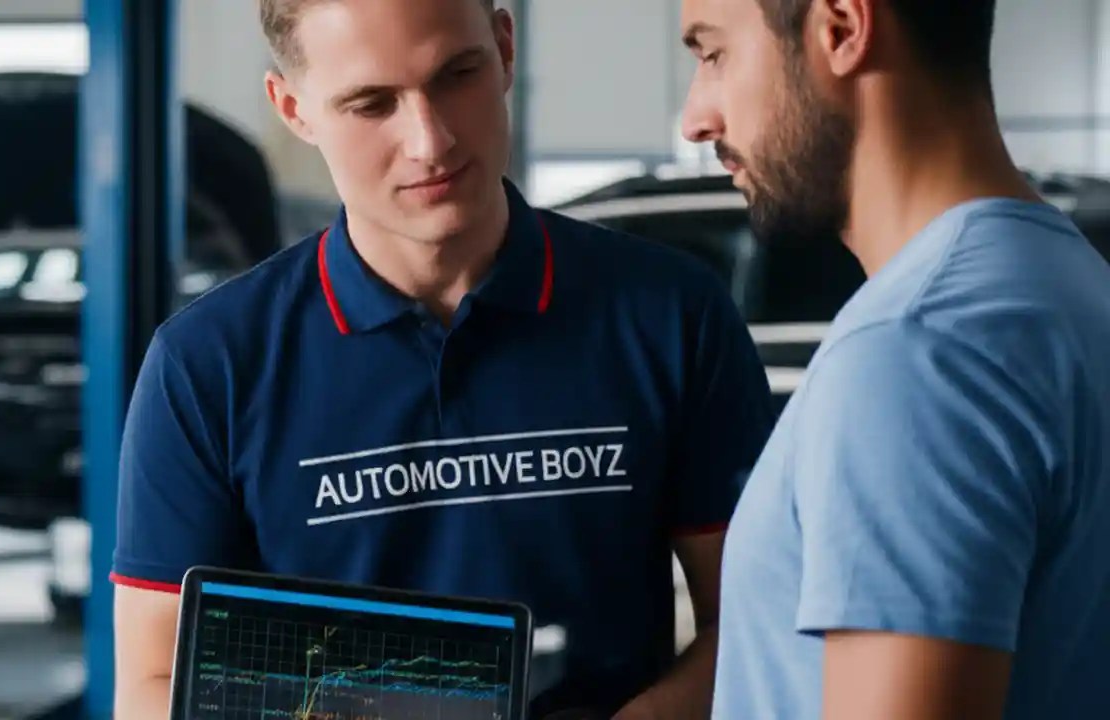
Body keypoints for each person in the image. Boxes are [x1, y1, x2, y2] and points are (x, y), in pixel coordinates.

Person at [111, 0, 774, 718]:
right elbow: (154, 680)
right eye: (371, 104)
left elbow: (757, 622)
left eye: (457, 75)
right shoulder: (209, 365)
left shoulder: (671, 315)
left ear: (504, 46)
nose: (430, 141)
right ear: (294, 107)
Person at [676, 0, 1110, 718]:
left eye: (714, 54)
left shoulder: (914, 354)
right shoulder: (1074, 287)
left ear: (842, 27)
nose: (696, 117)